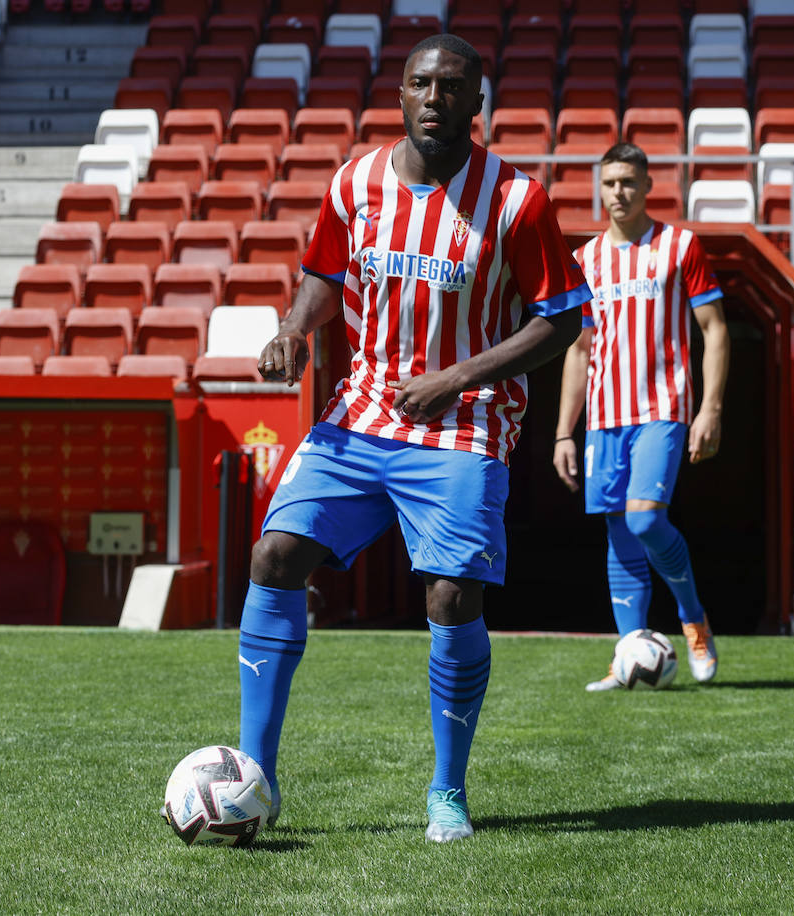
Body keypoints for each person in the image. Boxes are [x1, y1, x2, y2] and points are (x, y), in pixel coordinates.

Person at [241, 34, 591, 842]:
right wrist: (294, 329)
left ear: (478, 104)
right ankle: (257, 776)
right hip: (362, 412)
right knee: (274, 556)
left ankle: (447, 792)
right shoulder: (355, 182)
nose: (436, 98)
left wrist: (457, 378)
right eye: (422, 84)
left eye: (454, 86)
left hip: (466, 421)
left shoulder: (516, 200)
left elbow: (562, 318)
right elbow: (326, 278)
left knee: (448, 595)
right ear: (400, 95)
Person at [552, 143, 730, 689]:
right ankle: (628, 651)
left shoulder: (679, 246)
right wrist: (564, 430)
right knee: (620, 534)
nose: (618, 193)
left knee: (645, 518)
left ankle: (693, 618)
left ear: (649, 185)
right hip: (605, 417)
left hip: (664, 407)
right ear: (599, 188)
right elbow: (578, 349)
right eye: (609, 183)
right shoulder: (585, 260)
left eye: (628, 182)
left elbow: (715, 330)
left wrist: (711, 410)